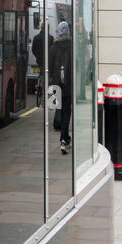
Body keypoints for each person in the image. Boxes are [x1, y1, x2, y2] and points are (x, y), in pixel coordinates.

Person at [47, 20, 72, 153]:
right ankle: (64, 138)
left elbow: (49, 68)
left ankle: (64, 136)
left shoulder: (53, 48)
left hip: (56, 84)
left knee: (59, 109)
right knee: (67, 112)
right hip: (68, 85)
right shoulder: (71, 46)